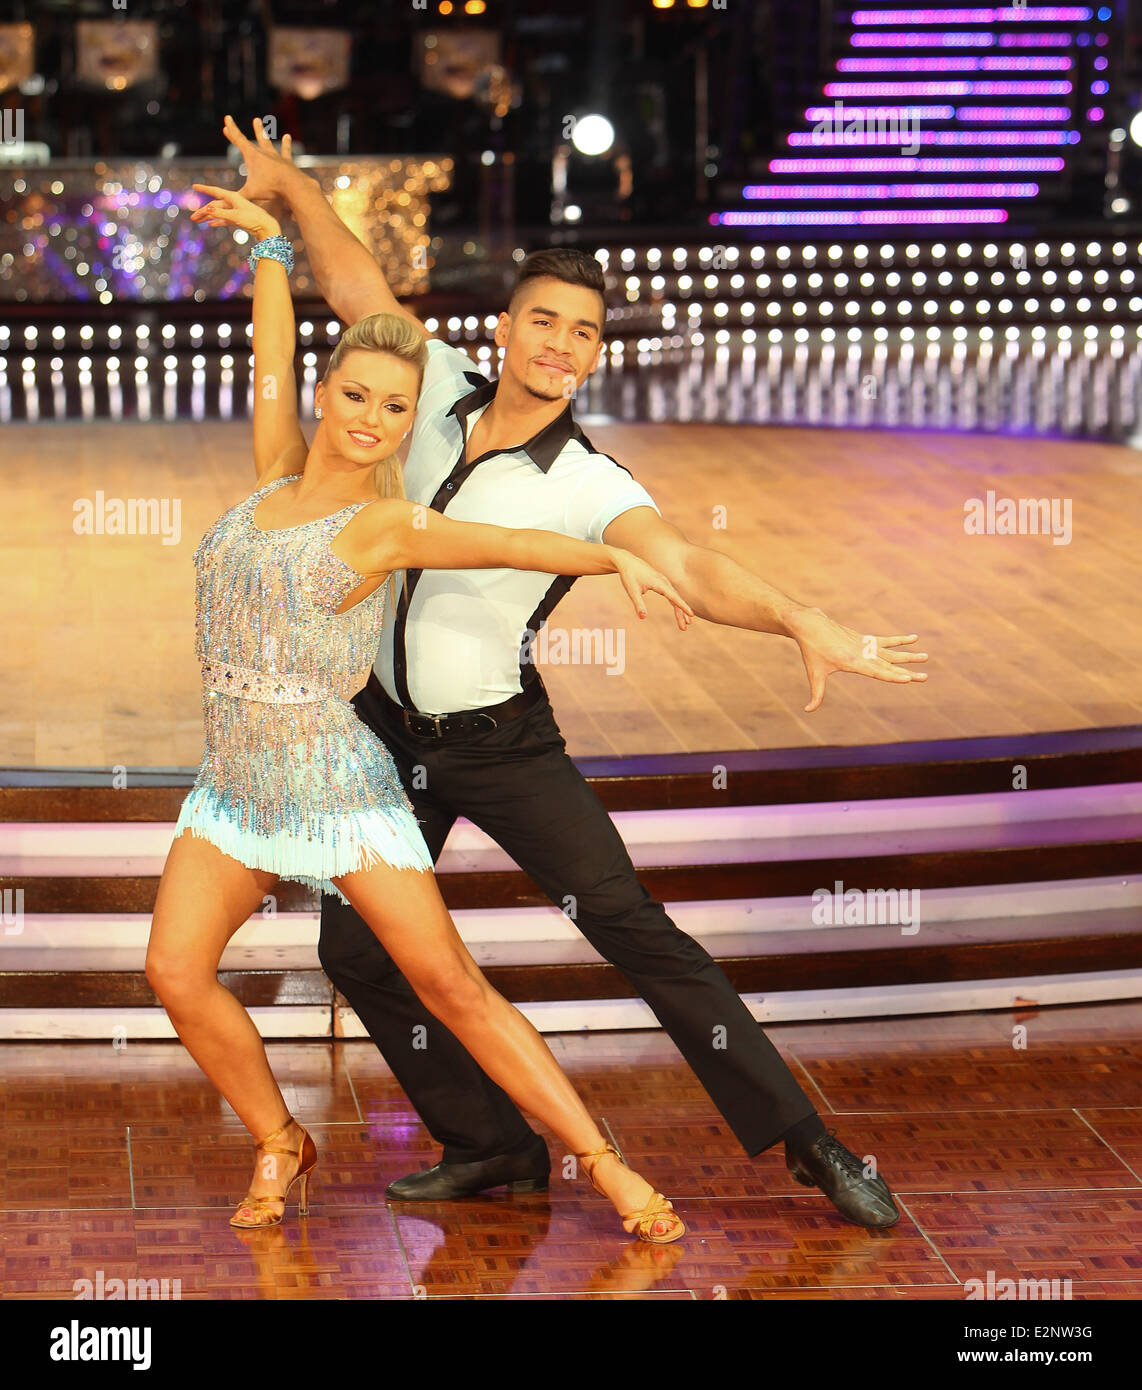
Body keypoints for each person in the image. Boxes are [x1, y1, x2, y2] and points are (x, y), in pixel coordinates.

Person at [224, 115, 929, 1229]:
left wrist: (798, 617)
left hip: (500, 743)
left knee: (634, 930)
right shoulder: (432, 384)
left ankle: (808, 1140)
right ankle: (491, 1145)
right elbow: (356, 283)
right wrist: (298, 190)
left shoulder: (587, 481)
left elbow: (687, 564)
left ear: (596, 353)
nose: (559, 343)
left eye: (583, 332)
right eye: (542, 320)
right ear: (503, 328)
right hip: (382, 738)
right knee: (353, 945)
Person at [145, 177, 699, 1244]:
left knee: (448, 984)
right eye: (356, 396)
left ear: (408, 422)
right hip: (237, 785)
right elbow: (269, 361)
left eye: (396, 408)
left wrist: (614, 557)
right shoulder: (269, 480)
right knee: (174, 969)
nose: (371, 419)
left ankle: (605, 1164)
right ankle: (277, 1136)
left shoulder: (386, 524)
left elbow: (514, 545)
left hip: (339, 787)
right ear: (328, 393)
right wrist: (269, 249)